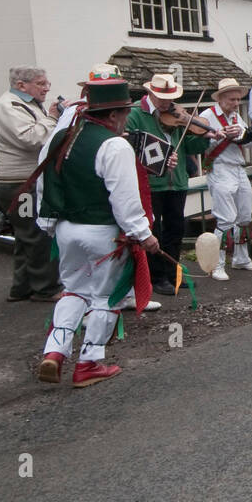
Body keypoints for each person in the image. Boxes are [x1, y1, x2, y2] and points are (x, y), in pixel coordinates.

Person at [35, 76, 159, 387]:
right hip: (103, 234)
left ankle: (55, 353)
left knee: (74, 290)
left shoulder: (64, 135)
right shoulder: (114, 145)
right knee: (106, 297)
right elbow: (125, 199)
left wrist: (47, 224)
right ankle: (89, 362)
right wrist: (144, 234)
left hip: (66, 230)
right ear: (115, 114)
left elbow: (44, 180)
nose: (127, 119)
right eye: (125, 113)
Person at [125, 72, 219, 297]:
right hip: (152, 183)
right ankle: (157, 277)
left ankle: (173, 274)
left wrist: (206, 135)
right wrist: (160, 159)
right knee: (154, 231)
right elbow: (133, 146)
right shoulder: (136, 114)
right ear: (150, 93)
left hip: (176, 181)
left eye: (170, 98)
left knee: (176, 229)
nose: (168, 103)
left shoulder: (177, 115)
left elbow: (191, 146)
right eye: (162, 98)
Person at [0, 66, 62, 302]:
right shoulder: (7, 107)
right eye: (41, 83)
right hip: (20, 183)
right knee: (38, 235)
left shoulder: (24, 105)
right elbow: (32, 139)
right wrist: (52, 118)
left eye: (46, 82)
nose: (47, 87)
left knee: (25, 236)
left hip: (24, 181)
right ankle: (46, 289)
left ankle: (21, 288)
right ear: (21, 85)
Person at [203, 78, 252, 280]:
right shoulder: (206, 116)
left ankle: (241, 258)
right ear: (220, 98)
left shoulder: (236, 117)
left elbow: (245, 143)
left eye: (238, 99)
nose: (236, 103)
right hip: (220, 168)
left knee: (245, 215)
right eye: (232, 99)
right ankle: (217, 264)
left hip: (238, 168)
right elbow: (197, 143)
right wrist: (217, 135)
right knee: (225, 218)